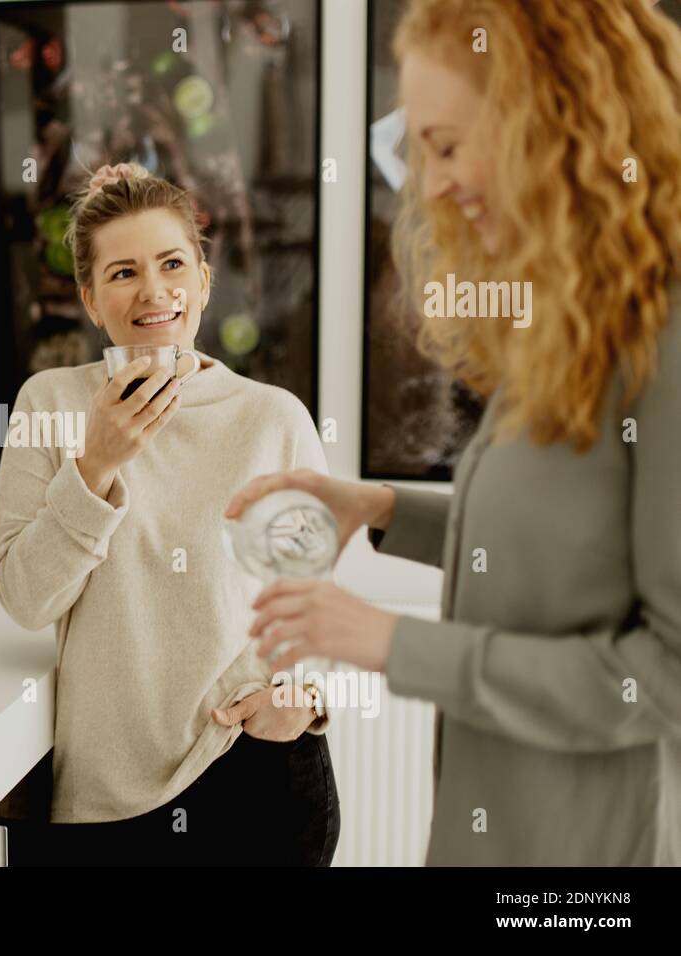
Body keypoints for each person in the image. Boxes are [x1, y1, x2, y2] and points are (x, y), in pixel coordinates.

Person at [225, 0, 681, 865]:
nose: (428, 185)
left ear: (557, 123)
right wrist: (376, 505)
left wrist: (392, 643)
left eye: (446, 144)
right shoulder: (576, 320)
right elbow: (559, 542)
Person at [0, 162, 339, 865]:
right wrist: (94, 466)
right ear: (90, 299)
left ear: (203, 282)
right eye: (122, 273)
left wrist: (302, 698)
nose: (153, 291)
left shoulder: (273, 419)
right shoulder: (49, 405)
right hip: (106, 801)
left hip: (258, 776)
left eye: (172, 263)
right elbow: (25, 598)